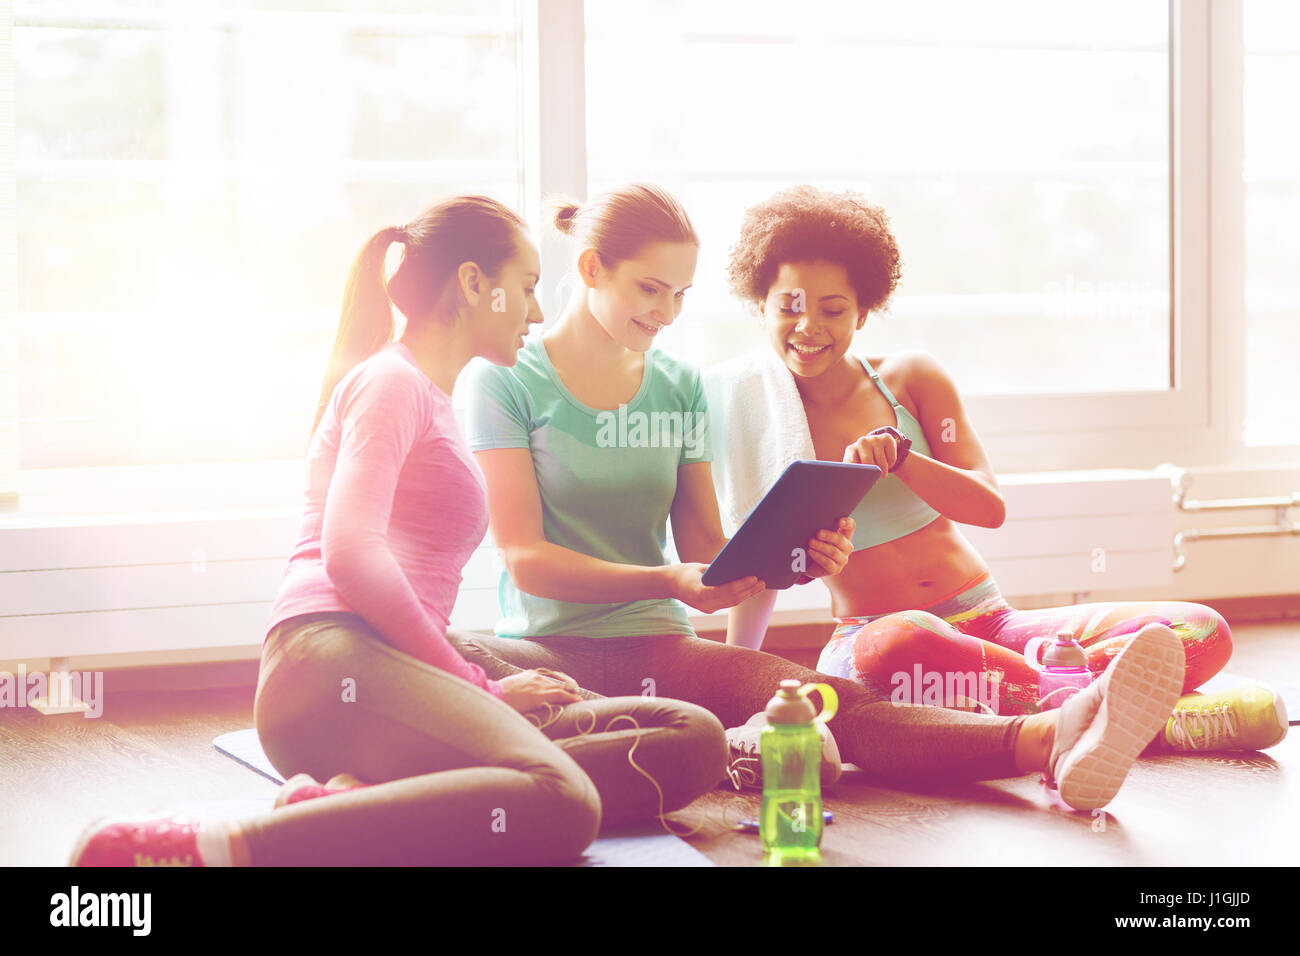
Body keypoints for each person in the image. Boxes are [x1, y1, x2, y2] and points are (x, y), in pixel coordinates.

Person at [449, 181, 1191, 813]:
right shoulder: (505, 380)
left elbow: (707, 551)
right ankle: (657, 753)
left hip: (660, 642)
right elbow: (526, 559)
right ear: (590, 270)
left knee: (823, 704)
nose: (666, 313)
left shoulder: (677, 384)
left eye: (680, 294)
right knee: (623, 729)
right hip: (545, 645)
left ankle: (1048, 737)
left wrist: (793, 558)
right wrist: (670, 581)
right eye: (650, 289)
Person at [69, 195, 727, 868]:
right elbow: (350, 554)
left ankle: (359, 804)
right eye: (525, 288)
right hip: (329, 662)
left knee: (690, 735)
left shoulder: (431, 395)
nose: (534, 311)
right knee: (563, 798)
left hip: (388, 664)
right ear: (474, 284)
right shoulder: (390, 382)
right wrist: (483, 689)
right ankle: (208, 848)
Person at [709, 184, 1287, 753]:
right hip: (877, 642)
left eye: (832, 309)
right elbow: (755, 563)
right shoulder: (759, 414)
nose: (808, 327)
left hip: (991, 626)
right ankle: (1148, 719)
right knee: (894, 647)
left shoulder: (911, 379)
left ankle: (1082, 716)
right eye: (789, 307)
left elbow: (989, 508)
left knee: (1201, 629)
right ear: (762, 304)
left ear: (863, 310)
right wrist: (736, 680)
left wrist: (905, 460)